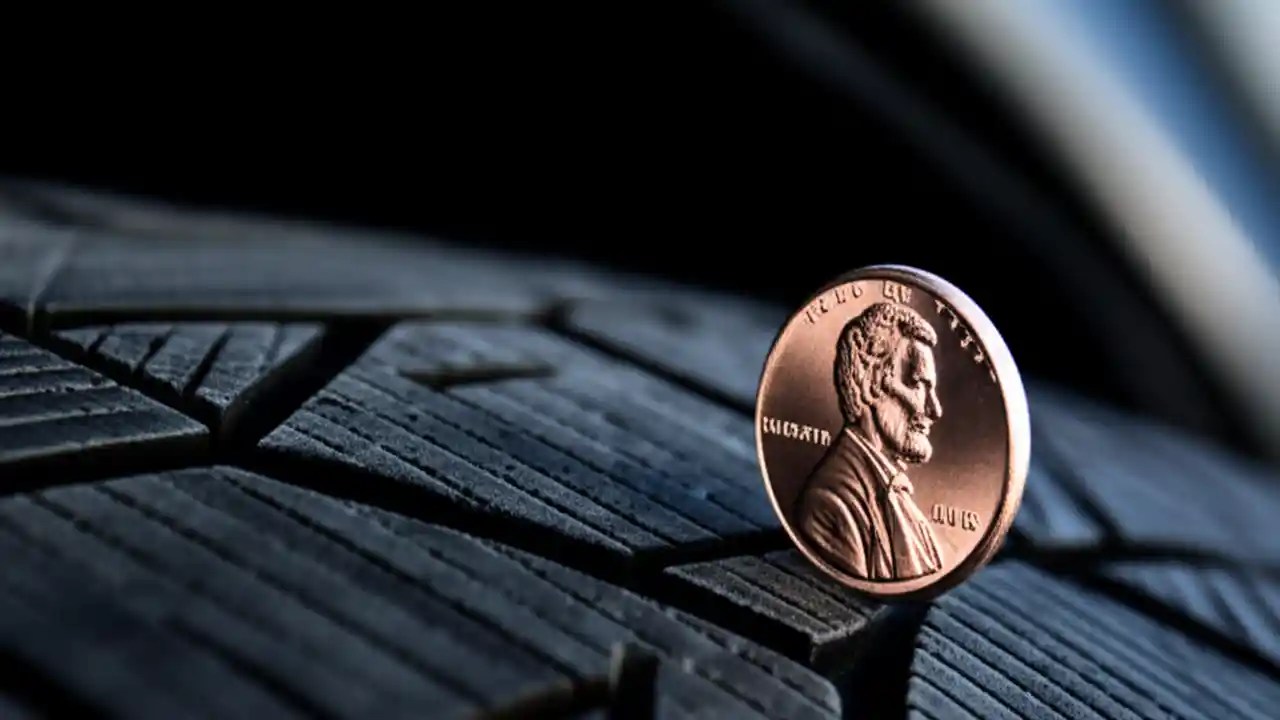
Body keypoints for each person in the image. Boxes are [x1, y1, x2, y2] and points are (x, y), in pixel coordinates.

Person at [794, 301, 945, 581]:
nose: (934, 409)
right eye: (916, 384)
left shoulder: (905, 503)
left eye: (931, 390)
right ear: (869, 379)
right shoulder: (830, 504)